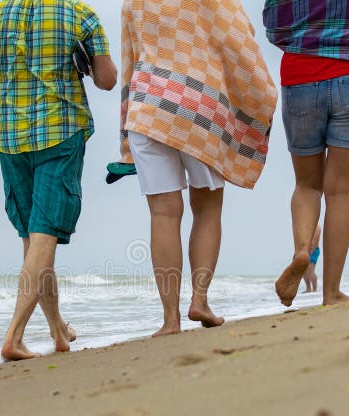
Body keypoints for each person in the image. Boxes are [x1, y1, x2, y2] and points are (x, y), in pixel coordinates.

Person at [118, 0, 277, 336]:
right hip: (200, 106)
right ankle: (200, 300)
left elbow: (129, 60)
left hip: (147, 107)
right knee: (207, 209)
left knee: (163, 215)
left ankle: (169, 320)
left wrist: (124, 135)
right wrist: (263, 94)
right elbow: (240, 43)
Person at [0, 0, 118, 360]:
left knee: (35, 239)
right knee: (44, 238)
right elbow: (107, 80)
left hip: (11, 138)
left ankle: (57, 331)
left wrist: (13, 76)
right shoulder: (80, 14)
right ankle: (14, 337)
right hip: (59, 132)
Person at [264, 0, 349, 306]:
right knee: (340, 192)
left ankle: (301, 251)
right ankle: (331, 292)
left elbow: (273, 25)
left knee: (307, 184)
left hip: (300, 79)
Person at [303, 225, 321, 293]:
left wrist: (311, 252)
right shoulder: (307, 225)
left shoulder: (317, 227)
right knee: (304, 272)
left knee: (311, 271)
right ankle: (308, 289)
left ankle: (314, 290)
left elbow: (315, 241)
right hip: (306, 250)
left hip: (313, 251)